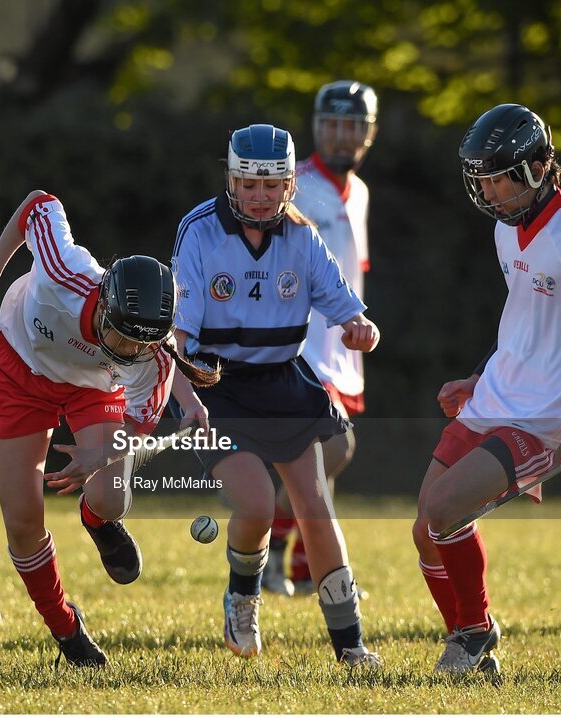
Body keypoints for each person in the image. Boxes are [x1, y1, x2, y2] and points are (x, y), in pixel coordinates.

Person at [0, 190, 217, 668]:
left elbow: (134, 429)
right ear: (105, 305)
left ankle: (96, 520)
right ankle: (65, 627)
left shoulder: (151, 358)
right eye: (122, 338)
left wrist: (106, 457)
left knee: (113, 495)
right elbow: (37, 203)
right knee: (23, 522)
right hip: (18, 370)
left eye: (143, 345)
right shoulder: (63, 272)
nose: (131, 352)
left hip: (92, 389)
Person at [413, 104, 561, 675]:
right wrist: (479, 377)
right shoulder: (506, 230)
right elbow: (525, 322)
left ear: (535, 170)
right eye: (478, 177)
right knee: (425, 531)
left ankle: (473, 636)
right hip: (495, 397)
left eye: (496, 176)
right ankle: (471, 647)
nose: (485, 189)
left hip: (543, 418)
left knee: (444, 507)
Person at [170, 123, 383, 667]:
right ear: (231, 180)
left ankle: (351, 645)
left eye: (271, 186)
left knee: (315, 505)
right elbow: (179, 334)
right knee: (258, 506)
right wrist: (186, 393)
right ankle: (243, 593)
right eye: (249, 185)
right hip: (219, 386)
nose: (260, 197)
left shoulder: (303, 238)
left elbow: (346, 308)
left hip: (284, 380)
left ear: (288, 183)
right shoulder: (198, 231)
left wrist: (361, 328)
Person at [265, 80, 380, 597]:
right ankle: (266, 549)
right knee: (334, 450)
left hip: (340, 353)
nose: (341, 136)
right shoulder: (297, 186)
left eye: (353, 127)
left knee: (320, 466)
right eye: (333, 124)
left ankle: (310, 572)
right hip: (300, 351)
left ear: (368, 136)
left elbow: (350, 278)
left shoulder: (360, 193)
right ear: (317, 126)